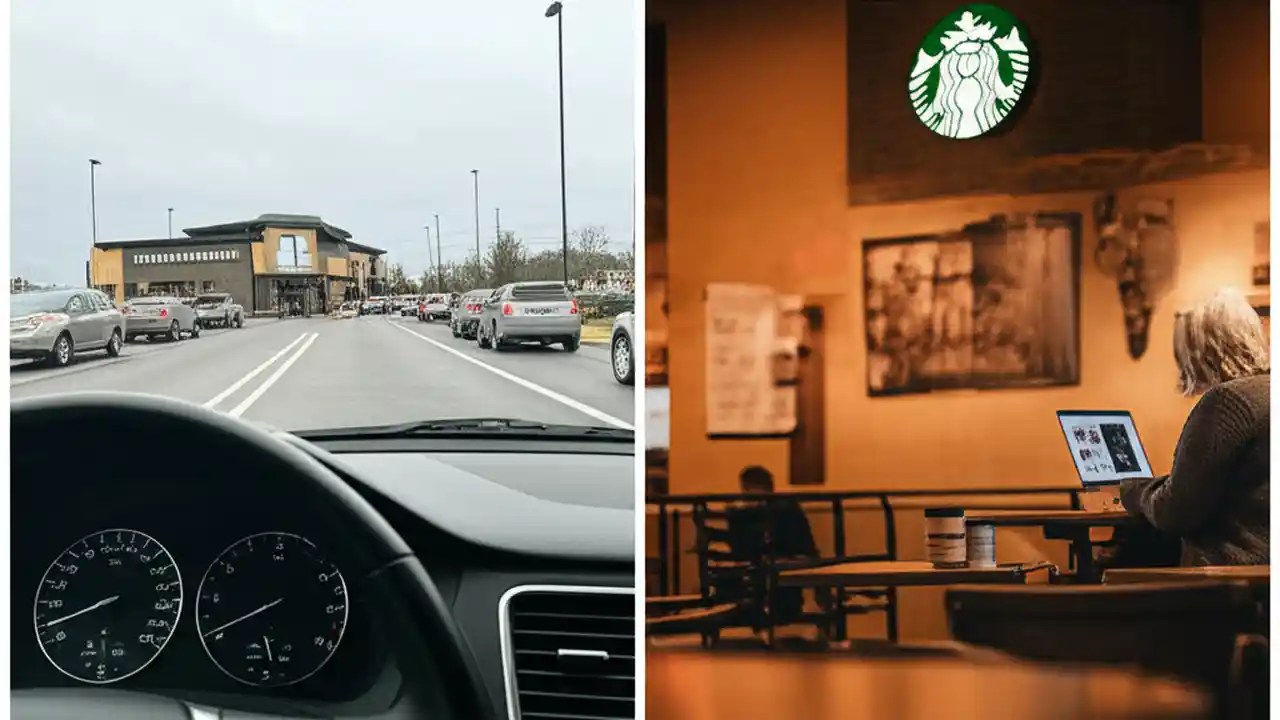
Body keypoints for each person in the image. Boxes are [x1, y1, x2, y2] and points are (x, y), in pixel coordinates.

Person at [1120, 288, 1270, 566]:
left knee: (1117, 563)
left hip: (1229, 580)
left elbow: (1174, 512)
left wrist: (1133, 491)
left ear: (1201, 350)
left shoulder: (1228, 401)